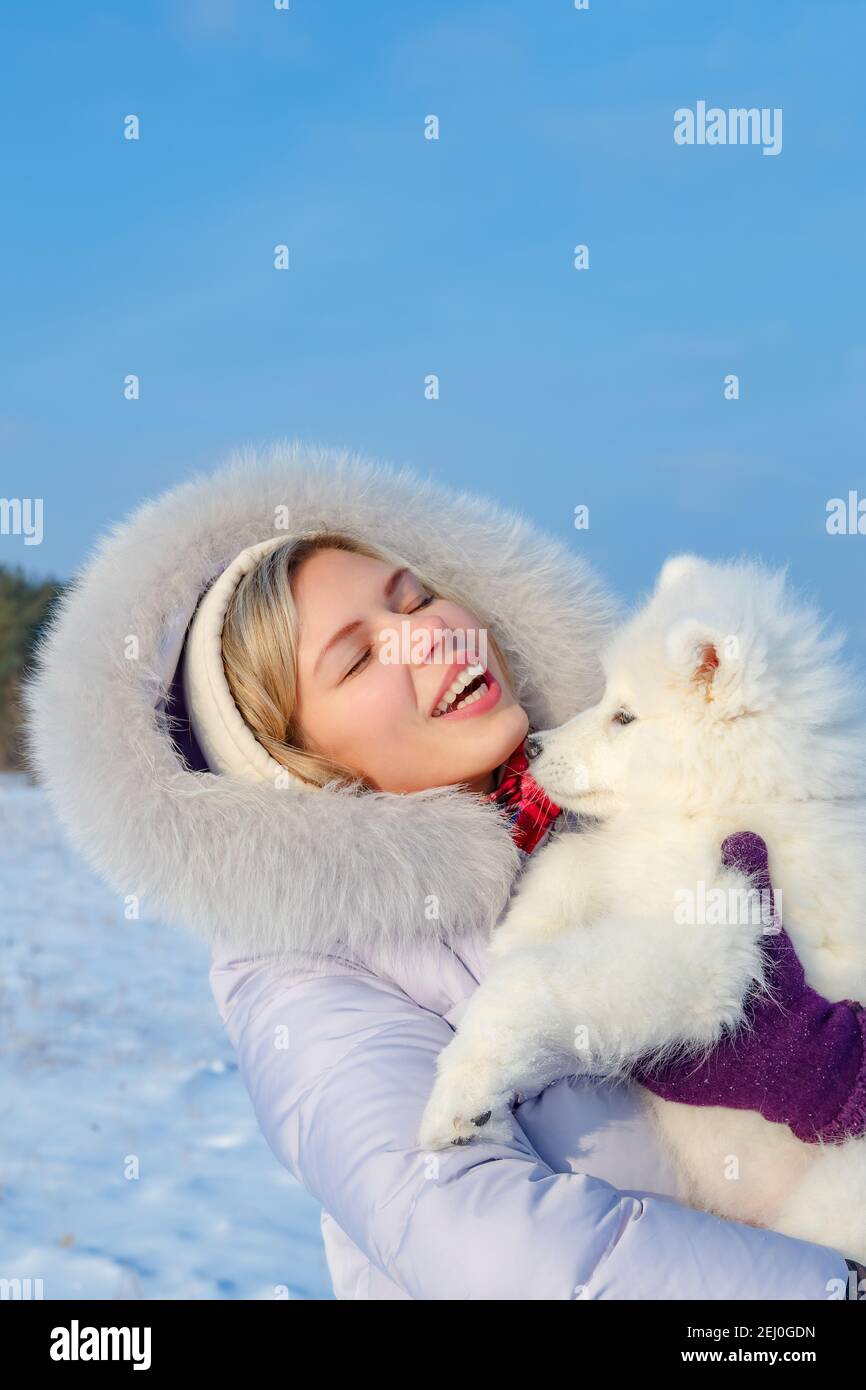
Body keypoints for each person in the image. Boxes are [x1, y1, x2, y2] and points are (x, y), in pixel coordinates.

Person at [26, 443, 864, 1299]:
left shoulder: (651, 796)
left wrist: (836, 1076)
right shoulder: (305, 976)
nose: (431, 632)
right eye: (356, 658)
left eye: (417, 594)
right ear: (300, 768)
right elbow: (479, 1239)